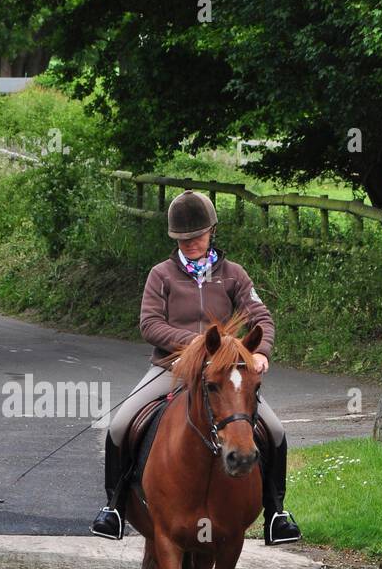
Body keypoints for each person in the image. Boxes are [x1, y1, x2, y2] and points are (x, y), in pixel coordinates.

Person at [91, 190, 301, 545]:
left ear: (211, 232)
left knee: (276, 432)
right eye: (183, 238)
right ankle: (113, 508)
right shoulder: (161, 275)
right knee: (120, 425)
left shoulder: (234, 275)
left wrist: (261, 351)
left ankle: (276, 513)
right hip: (171, 369)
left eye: (197, 236)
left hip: (225, 376)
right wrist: (192, 343)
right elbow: (150, 324)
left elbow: (260, 316)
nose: (190, 243)